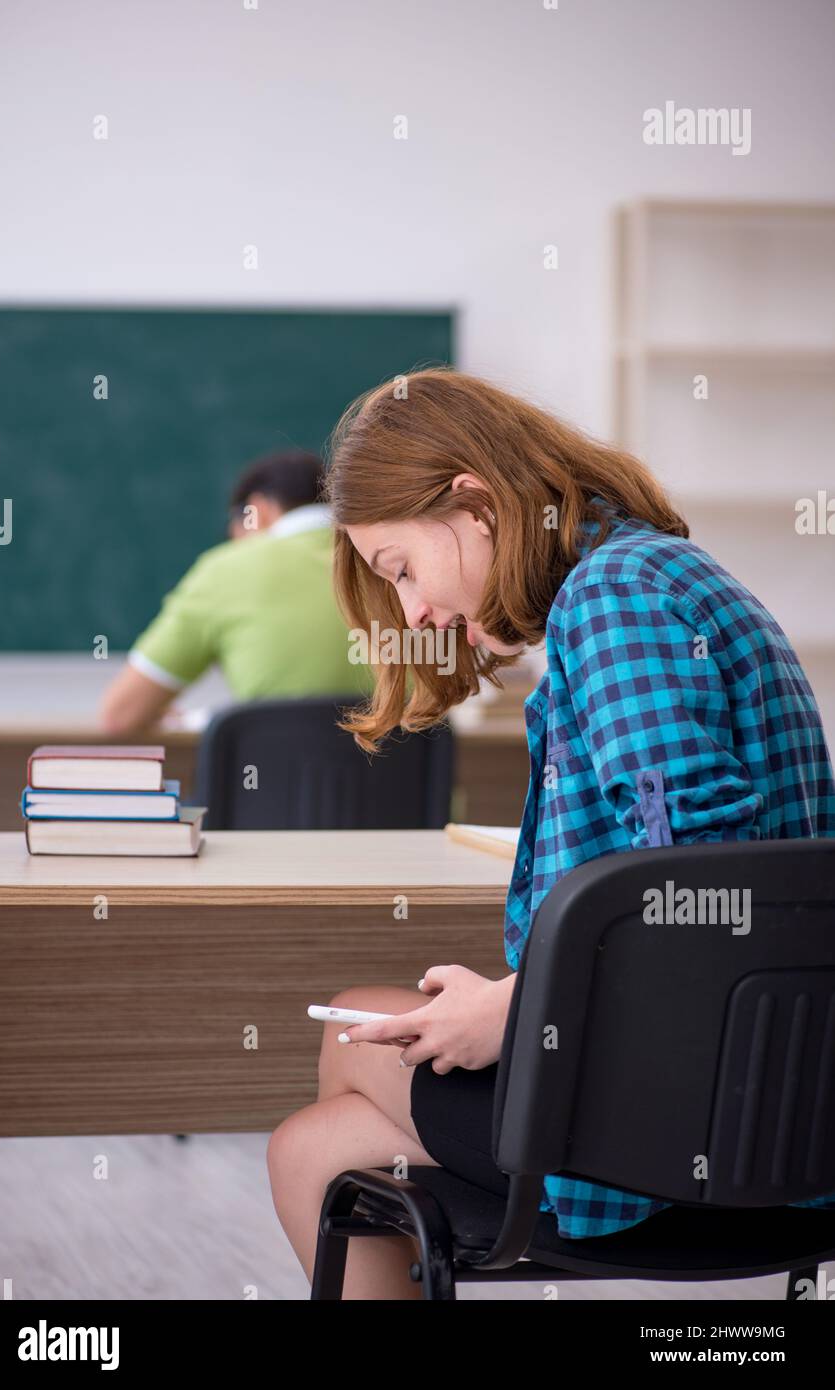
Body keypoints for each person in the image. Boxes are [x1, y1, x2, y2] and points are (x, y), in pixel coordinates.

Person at [266, 366, 835, 1300]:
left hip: (685, 1121)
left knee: (335, 1091)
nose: (411, 613)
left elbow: (697, 885)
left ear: (474, 502)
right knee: (324, 1129)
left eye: (402, 569)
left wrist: (512, 1008)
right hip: (767, 1102)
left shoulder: (612, 599)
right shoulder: (651, 574)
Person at [99, 449, 371, 735]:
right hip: (402, 776)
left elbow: (120, 715)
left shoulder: (224, 570)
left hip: (271, 776)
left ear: (257, 509)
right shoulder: (391, 557)